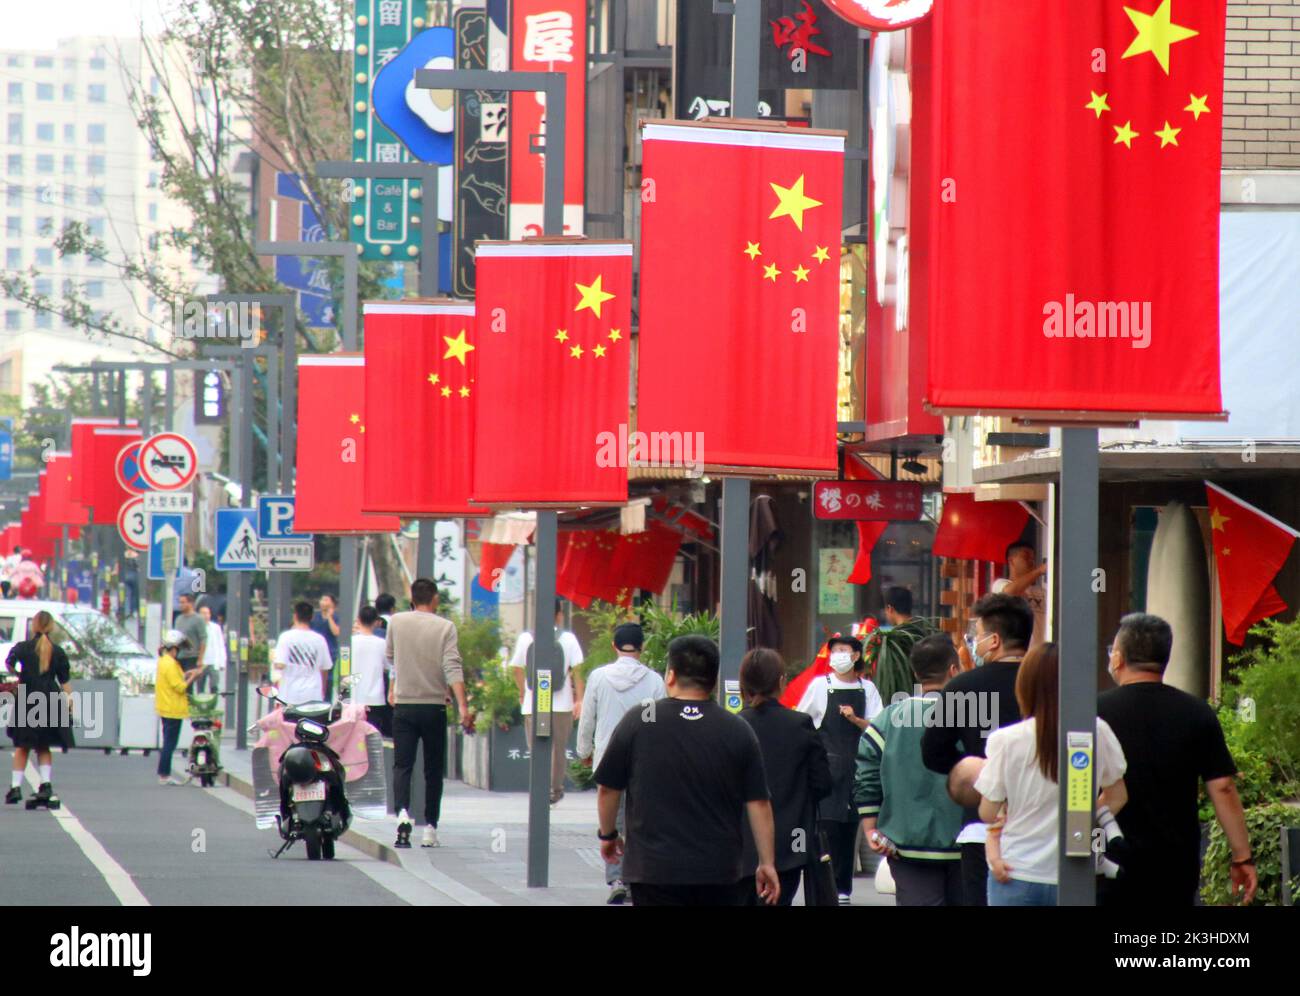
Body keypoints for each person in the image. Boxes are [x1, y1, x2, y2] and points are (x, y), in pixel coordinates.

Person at [594, 635, 780, 907]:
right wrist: (766, 863)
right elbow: (759, 803)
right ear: (714, 680)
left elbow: (609, 788)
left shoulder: (640, 720)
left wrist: (608, 835)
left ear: (670, 675)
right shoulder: (737, 729)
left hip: (653, 871)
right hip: (718, 871)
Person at [1097, 613, 1257, 906]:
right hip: (1174, 861)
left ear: (1118, 658)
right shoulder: (1197, 712)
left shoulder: (1094, 712)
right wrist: (1241, 856)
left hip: (1107, 855)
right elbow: (1222, 787)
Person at [973, 642, 1127, 906]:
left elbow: (988, 812)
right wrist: (1083, 814)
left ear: (1024, 685)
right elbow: (1117, 796)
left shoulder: (1005, 740)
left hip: (1015, 871)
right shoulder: (1096, 730)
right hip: (1073, 872)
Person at [921, 592, 1032, 906]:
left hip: (982, 822)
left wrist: (973, 768)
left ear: (994, 640)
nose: (974, 642)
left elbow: (933, 752)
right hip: (1045, 824)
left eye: (977, 635)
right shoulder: (1054, 683)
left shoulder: (964, 686)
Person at [855, 634, 965, 906]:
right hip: (965, 845)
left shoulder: (888, 719)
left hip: (905, 847)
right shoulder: (974, 715)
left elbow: (865, 771)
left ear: (916, 673)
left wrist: (871, 828)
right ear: (954, 669)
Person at [576, 622, 666, 904]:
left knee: (612, 820)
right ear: (642, 647)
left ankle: (616, 877)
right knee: (638, 821)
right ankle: (634, 879)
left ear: (615, 646)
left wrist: (584, 750)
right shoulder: (655, 680)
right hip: (645, 761)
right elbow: (662, 723)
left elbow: (588, 717)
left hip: (607, 758)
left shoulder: (599, 678)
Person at [739, 647, 832, 906]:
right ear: (781, 682)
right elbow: (823, 783)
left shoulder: (734, 725)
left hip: (741, 846)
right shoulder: (799, 724)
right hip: (791, 844)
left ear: (744, 684)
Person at [795, 632, 883, 904]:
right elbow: (801, 721)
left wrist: (856, 720)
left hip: (858, 770)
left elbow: (879, 728)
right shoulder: (821, 686)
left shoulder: (867, 689)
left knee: (850, 830)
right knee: (827, 829)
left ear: (856, 656)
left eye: (843, 650)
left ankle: (844, 890)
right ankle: (825, 888)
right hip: (829, 770)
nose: (837, 656)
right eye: (834, 651)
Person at [386, 577, 472, 849]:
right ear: (434, 599)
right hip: (434, 707)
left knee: (403, 765)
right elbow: (453, 667)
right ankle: (430, 828)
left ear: (412, 598)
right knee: (433, 770)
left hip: (404, 707)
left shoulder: (396, 622)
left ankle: (402, 815)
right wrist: (463, 708)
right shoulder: (446, 627)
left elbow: (390, 656)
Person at [510, 602, 585, 805]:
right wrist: (580, 699)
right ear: (559, 615)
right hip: (562, 705)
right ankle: (554, 790)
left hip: (534, 703)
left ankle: (538, 788)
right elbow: (578, 669)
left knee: (536, 748)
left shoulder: (526, 638)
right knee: (558, 749)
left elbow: (516, 668)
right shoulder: (568, 639)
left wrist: (523, 692)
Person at [4, 611, 74, 806]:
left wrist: (20, 674)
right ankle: (45, 783)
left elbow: (9, 663)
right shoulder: (58, 651)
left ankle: (15, 787)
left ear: (33, 626)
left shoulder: (22, 648)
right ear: (51, 627)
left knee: (22, 745)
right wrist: (70, 701)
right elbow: (65, 681)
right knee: (43, 745)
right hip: (49, 698)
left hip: (27, 697)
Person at [155, 628, 207, 786]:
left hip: (166, 707)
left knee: (168, 742)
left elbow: (174, 681)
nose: (178, 652)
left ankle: (164, 773)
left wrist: (187, 674)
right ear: (172, 648)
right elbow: (179, 687)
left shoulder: (164, 662)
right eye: (177, 649)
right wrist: (193, 677)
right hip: (173, 709)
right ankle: (164, 774)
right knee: (170, 744)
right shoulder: (170, 664)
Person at [273, 601, 333, 706]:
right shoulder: (319, 639)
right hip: (312, 693)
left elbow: (279, 665)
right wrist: (322, 690)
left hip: (289, 693)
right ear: (312, 617)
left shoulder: (286, 637)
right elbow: (325, 668)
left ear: (295, 616)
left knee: (289, 722)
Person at [992, 542, 1047, 649]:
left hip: (1041, 653)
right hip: (1017, 655)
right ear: (1011, 561)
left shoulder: (1040, 592)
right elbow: (1010, 592)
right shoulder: (1000, 584)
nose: (1031, 562)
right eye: (1026, 557)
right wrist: (1039, 571)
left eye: (1033, 558)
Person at [351, 605, 391, 737]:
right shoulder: (382, 643)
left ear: (358, 620)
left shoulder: (350, 642)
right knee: (372, 738)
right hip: (375, 698)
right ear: (376, 622)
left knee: (354, 737)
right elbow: (388, 667)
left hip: (353, 697)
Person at [311, 593, 342, 697]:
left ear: (333, 604)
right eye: (322, 599)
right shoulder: (314, 617)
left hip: (330, 653)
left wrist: (329, 617)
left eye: (326, 600)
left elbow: (336, 632)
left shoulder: (336, 618)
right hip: (314, 653)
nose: (323, 602)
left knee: (328, 680)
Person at [173, 593, 207, 684]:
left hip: (191, 657)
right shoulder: (178, 619)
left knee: (187, 684)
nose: (181, 605)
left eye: (183, 602)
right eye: (180, 602)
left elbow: (203, 639)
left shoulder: (198, 619)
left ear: (190, 603)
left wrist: (200, 659)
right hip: (179, 656)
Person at [199, 604, 226, 693]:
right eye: (203, 613)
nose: (206, 616)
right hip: (202, 662)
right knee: (200, 685)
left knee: (214, 685)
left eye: (208, 613)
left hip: (214, 661)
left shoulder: (216, 628)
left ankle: (213, 701)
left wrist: (222, 662)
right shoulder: (198, 628)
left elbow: (220, 645)